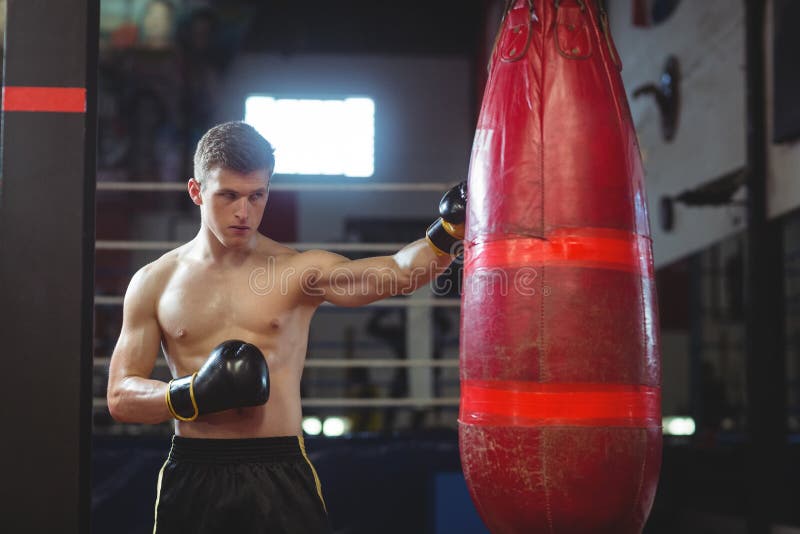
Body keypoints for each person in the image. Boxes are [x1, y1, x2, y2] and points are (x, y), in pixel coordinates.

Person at [106, 121, 466, 533]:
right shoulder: (154, 282)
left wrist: (448, 232)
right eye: (228, 195)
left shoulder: (297, 272)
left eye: (256, 196)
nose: (244, 212)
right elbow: (121, 395)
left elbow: (398, 273)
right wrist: (190, 394)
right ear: (196, 191)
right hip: (193, 471)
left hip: (279, 471)